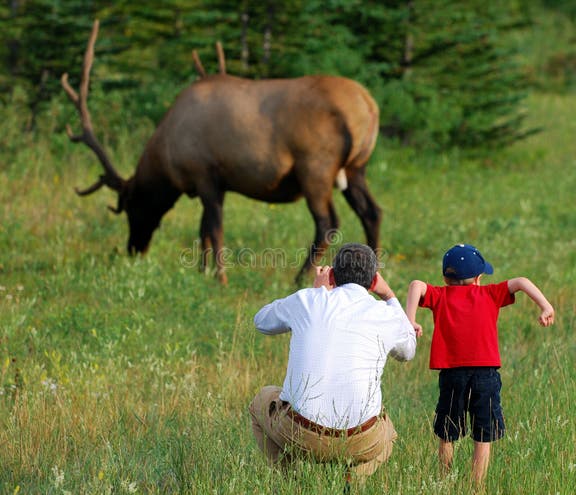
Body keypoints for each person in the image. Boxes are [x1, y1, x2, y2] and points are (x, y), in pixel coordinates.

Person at [249, 243, 417, 488]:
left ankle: (292, 484)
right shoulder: (385, 313)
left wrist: (316, 292)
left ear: (332, 275)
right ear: (373, 282)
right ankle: (353, 480)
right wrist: (389, 295)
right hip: (362, 439)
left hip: (299, 433)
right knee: (387, 432)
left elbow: (261, 321)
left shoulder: (308, 300)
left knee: (260, 402)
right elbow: (408, 350)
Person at [405, 243, 555, 485]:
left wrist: (410, 321)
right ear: (478, 278)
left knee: (447, 431)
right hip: (485, 374)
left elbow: (415, 285)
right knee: (483, 432)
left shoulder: (440, 295)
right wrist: (545, 306)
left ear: (445, 277)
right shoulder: (488, 293)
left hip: (451, 374)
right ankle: (477, 485)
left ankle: (444, 480)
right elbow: (521, 281)